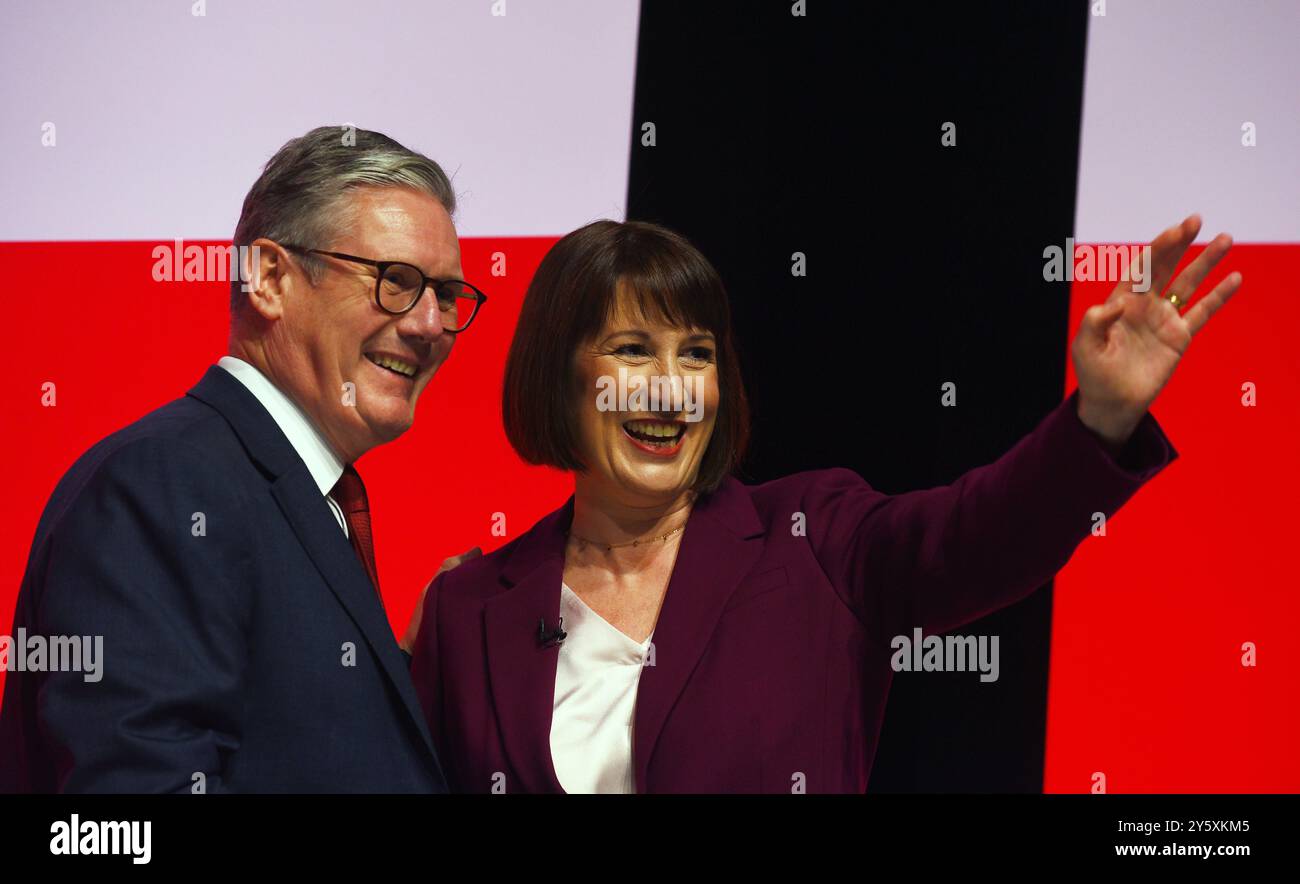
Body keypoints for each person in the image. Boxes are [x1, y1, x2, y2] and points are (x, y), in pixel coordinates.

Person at [409, 215, 1242, 793]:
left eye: (695, 354)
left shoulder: (814, 542)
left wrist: (1101, 416)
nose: (670, 389)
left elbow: (982, 535)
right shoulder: (468, 611)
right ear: (561, 377)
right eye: (632, 350)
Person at [0, 126, 483, 792]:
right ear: (269, 278)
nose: (431, 323)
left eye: (448, 296)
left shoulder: (301, 499)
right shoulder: (162, 485)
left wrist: (405, 666)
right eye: (395, 281)